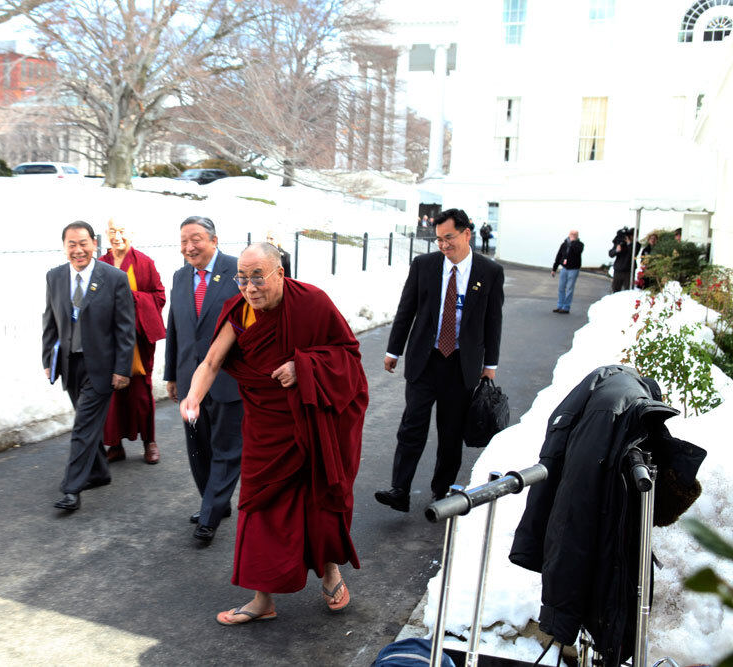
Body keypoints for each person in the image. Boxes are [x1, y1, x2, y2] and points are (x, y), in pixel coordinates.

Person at [179, 243, 368, 625]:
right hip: (267, 426)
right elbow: (213, 359)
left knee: (320, 498)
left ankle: (330, 572)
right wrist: (193, 397)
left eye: (258, 277)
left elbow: (347, 355)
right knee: (259, 506)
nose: (249, 287)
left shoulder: (312, 302)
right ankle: (262, 599)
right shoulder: (241, 312)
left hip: (313, 421)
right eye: (242, 278)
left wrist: (305, 367)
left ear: (280, 273)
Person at [375, 208, 504, 512]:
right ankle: (400, 489)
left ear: (466, 234)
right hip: (425, 360)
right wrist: (394, 350)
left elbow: (493, 321)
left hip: (462, 365)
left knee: (450, 433)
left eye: (449, 238)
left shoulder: (489, 272)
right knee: (411, 426)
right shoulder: (425, 265)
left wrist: (491, 366)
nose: (444, 245)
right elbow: (406, 309)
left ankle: (441, 490)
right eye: (439, 240)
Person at [42, 221, 136, 512]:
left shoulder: (114, 277)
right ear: (64, 247)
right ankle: (98, 472)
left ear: (94, 244)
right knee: (88, 423)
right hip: (70, 364)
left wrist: (122, 368)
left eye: (83, 243)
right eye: (71, 244)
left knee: (83, 425)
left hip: (102, 367)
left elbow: (125, 327)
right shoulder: (55, 277)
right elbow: (50, 321)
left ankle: (72, 488)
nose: (78, 250)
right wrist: (48, 359)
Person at [164, 216, 243, 543]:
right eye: (183, 241)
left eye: (195, 239)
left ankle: (209, 515)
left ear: (213, 239)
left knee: (226, 448)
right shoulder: (181, 277)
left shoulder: (237, 271)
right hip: (189, 381)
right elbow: (175, 329)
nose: (189, 247)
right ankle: (216, 501)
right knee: (198, 448)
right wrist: (171, 374)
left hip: (228, 379)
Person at [98, 218, 166, 464]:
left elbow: (159, 296)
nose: (117, 236)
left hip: (137, 337)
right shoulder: (100, 264)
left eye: (122, 231)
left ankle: (149, 441)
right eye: (112, 231)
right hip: (108, 339)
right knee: (111, 393)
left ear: (132, 234)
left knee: (140, 393)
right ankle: (115, 445)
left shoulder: (145, 263)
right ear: (106, 233)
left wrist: (133, 297)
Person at [551, 230, 584, 314]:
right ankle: (560, 306)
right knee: (561, 288)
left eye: (575, 234)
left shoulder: (579, 244)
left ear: (577, 236)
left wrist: (573, 243)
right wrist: (554, 268)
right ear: (568, 235)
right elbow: (559, 255)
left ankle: (566, 307)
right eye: (571, 234)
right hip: (564, 268)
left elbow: (577, 251)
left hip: (573, 269)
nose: (573, 235)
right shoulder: (564, 244)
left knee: (569, 288)